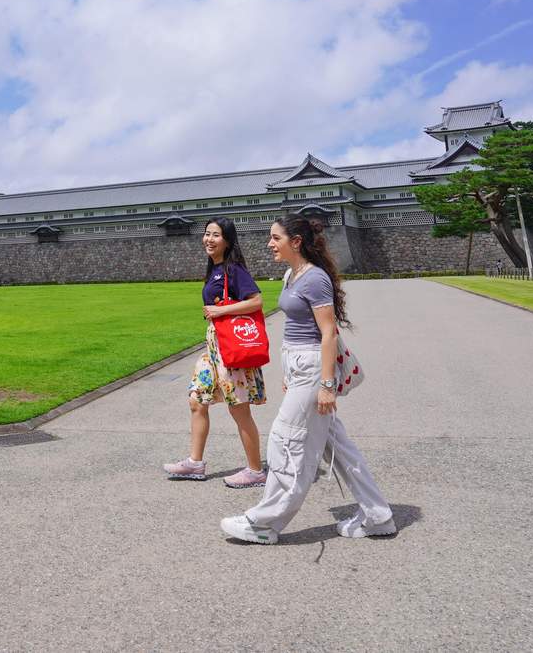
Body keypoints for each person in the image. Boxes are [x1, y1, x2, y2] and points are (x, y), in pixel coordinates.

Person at [221, 214, 395, 544]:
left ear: (295, 242)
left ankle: (264, 523)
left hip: (314, 369)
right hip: (300, 367)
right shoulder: (292, 274)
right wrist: (290, 373)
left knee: (286, 442)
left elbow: (327, 333)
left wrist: (326, 386)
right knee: (339, 447)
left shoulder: (314, 279)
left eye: (276, 238)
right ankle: (377, 515)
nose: (269, 244)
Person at [163, 218, 268, 488]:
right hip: (214, 347)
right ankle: (195, 463)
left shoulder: (233, 269)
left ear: (228, 241)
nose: (209, 239)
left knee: (239, 410)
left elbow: (256, 300)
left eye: (216, 235)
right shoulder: (215, 269)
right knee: (197, 399)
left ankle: (256, 471)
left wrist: (220, 310)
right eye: (207, 234)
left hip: (230, 349)